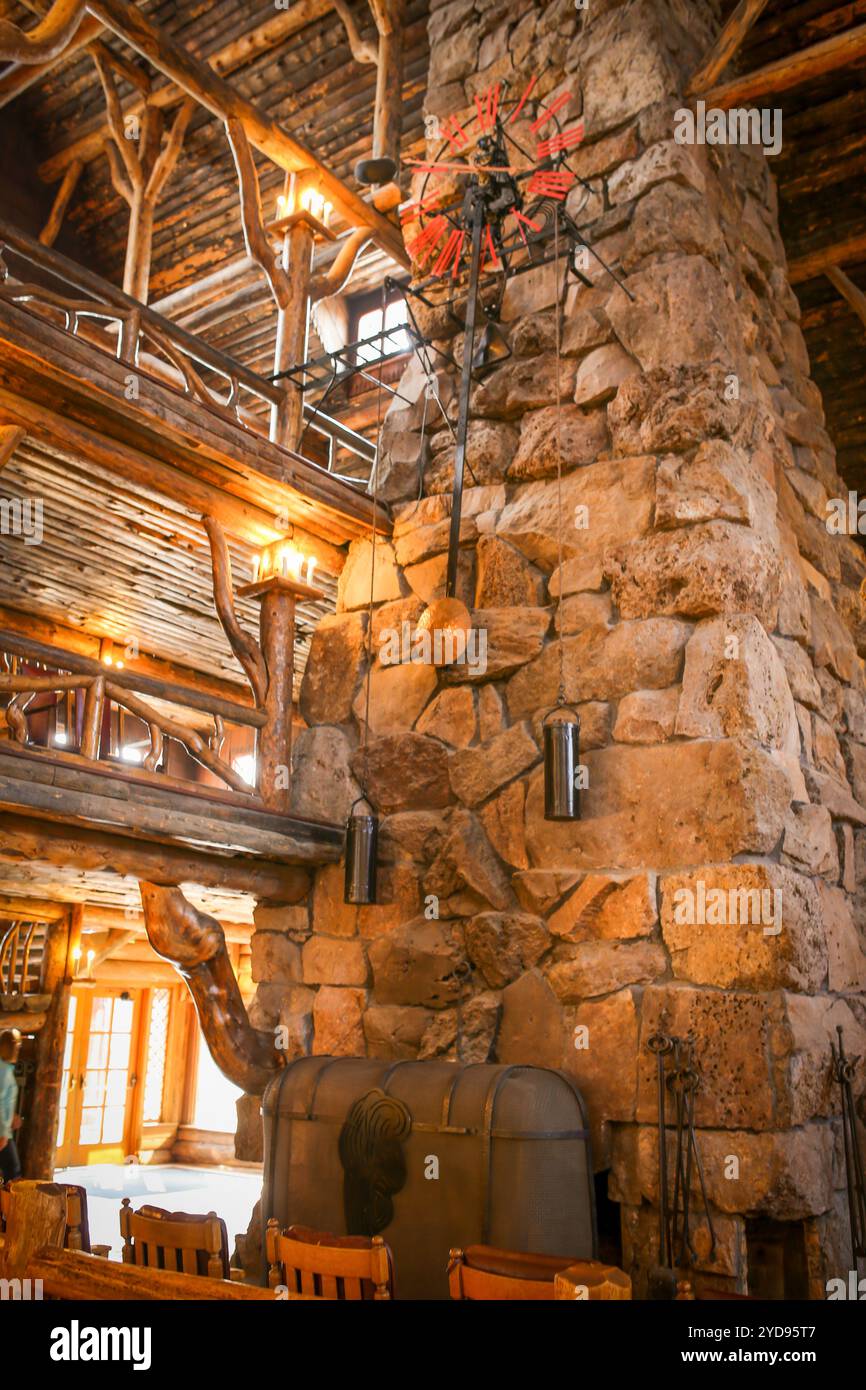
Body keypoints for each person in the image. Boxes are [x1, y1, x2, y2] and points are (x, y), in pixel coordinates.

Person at [0, 1028, 23, 1183]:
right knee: (13, 1173)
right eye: (17, 1045)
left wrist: (12, 1116)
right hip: (2, 1134)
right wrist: (2, 1133)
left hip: (4, 1131)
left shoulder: (5, 1069)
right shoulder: (4, 1072)